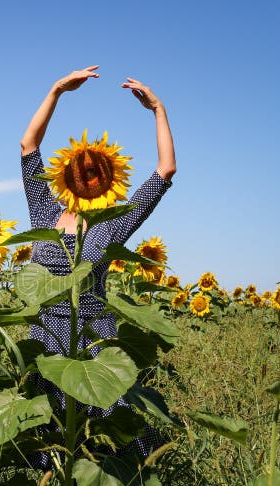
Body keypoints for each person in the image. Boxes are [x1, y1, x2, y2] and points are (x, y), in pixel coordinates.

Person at [20, 66, 176, 461]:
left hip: (93, 335)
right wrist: (56, 89)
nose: (88, 177)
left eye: (96, 172)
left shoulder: (112, 224)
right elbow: (28, 147)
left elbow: (164, 171)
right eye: (82, 170)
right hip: (48, 338)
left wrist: (158, 109)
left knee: (110, 434)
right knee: (51, 437)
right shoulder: (44, 214)